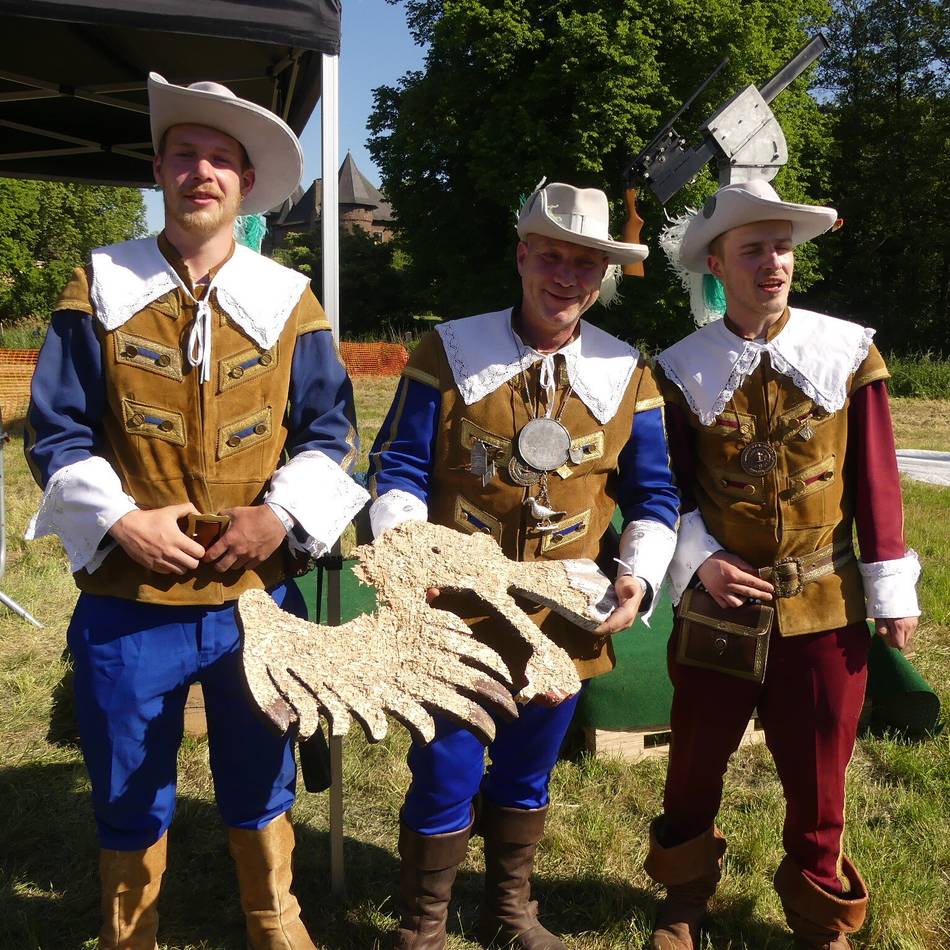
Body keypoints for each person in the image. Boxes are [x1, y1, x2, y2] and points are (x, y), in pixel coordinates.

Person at [24, 73, 367, 949]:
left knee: (262, 769)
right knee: (127, 783)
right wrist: (124, 522)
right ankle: (127, 932)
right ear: (160, 169)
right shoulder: (98, 283)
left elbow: (330, 433)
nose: (202, 172)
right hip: (128, 600)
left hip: (257, 600)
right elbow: (56, 431)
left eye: (221, 159)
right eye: (186, 155)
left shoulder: (289, 300)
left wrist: (278, 519)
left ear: (244, 184)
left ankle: (273, 919)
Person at [367, 181, 680, 950]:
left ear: (602, 277)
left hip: (561, 615)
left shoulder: (624, 370)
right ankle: (424, 923)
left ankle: (508, 909)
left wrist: (636, 573)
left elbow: (654, 491)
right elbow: (398, 462)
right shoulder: (451, 348)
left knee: (527, 771)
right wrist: (409, 548)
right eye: (553, 256)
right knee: (444, 765)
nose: (567, 277)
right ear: (523, 254)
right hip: (453, 609)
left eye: (585, 264)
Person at [646, 179, 921, 950]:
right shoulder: (678, 368)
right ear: (717, 264)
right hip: (719, 603)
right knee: (697, 754)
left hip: (825, 600)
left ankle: (819, 913)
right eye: (754, 249)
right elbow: (665, 484)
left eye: (783, 248)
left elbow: (878, 478)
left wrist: (890, 586)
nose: (774, 263)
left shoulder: (847, 350)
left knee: (821, 764)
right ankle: (683, 896)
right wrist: (699, 560)